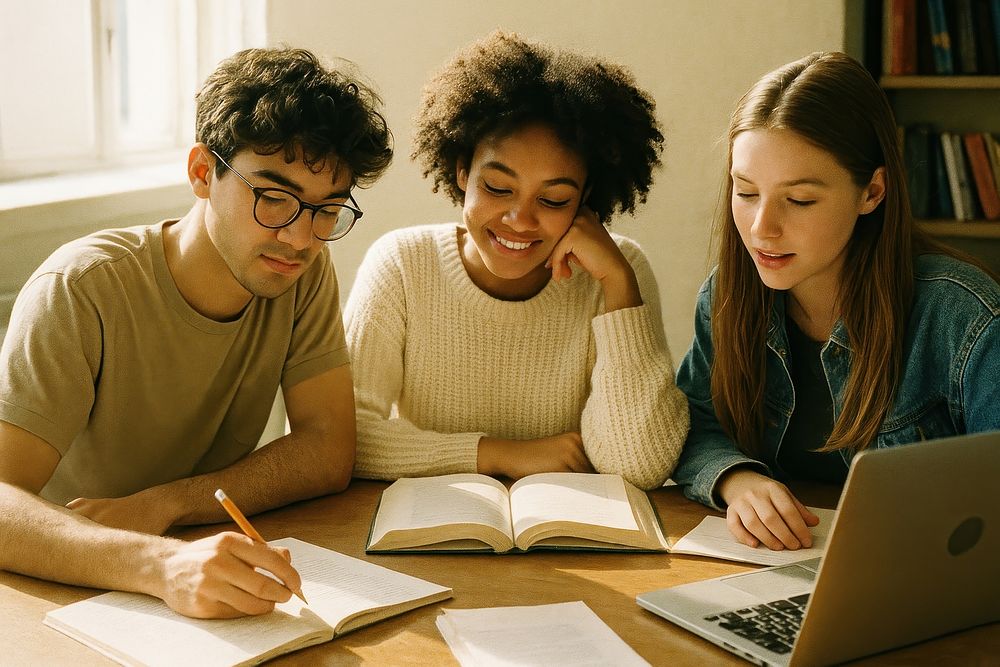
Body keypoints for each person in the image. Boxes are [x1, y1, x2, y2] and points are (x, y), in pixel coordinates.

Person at [0, 47, 392, 618]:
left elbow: (328, 450)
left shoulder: (298, 272)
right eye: (274, 198)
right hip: (71, 588)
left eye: (327, 209)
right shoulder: (81, 287)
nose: (302, 238)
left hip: (203, 572)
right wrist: (157, 562)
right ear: (203, 173)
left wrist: (164, 506)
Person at [672, 51, 999, 551]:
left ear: (871, 192)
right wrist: (736, 479)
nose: (762, 228)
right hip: (773, 571)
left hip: (915, 581)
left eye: (800, 199)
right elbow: (694, 421)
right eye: (746, 191)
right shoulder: (729, 294)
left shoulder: (965, 319)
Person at [344, 31, 689, 491]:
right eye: (498, 188)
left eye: (554, 198)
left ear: (586, 200)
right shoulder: (403, 265)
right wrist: (499, 454)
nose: (519, 220)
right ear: (462, 171)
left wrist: (619, 288)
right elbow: (341, 439)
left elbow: (639, 466)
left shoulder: (618, 270)